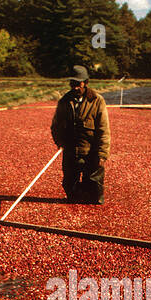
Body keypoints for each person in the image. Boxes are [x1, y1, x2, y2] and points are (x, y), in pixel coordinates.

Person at [50, 65, 110, 204]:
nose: (75, 87)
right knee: (71, 189)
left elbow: (104, 130)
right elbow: (56, 125)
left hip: (91, 152)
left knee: (94, 194)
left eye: (78, 84)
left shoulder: (97, 100)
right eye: (73, 83)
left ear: (86, 83)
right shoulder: (64, 101)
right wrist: (60, 142)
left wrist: (102, 154)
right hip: (71, 152)